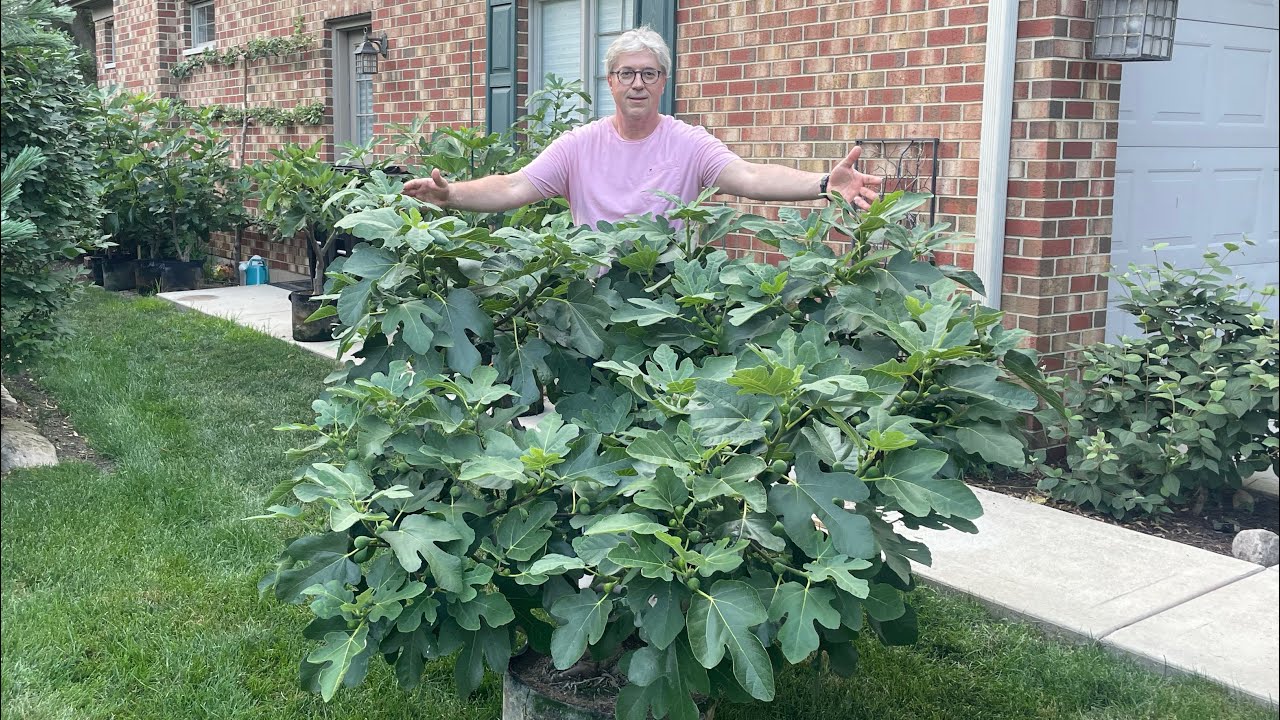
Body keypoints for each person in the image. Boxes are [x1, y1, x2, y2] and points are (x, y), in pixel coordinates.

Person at [401, 26, 883, 229]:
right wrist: (452, 195)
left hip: (665, 303)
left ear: (662, 82)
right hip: (593, 301)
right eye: (627, 73)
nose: (637, 83)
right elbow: (514, 185)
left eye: (648, 73)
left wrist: (822, 183)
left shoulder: (689, 143)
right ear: (610, 82)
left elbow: (750, 177)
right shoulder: (578, 146)